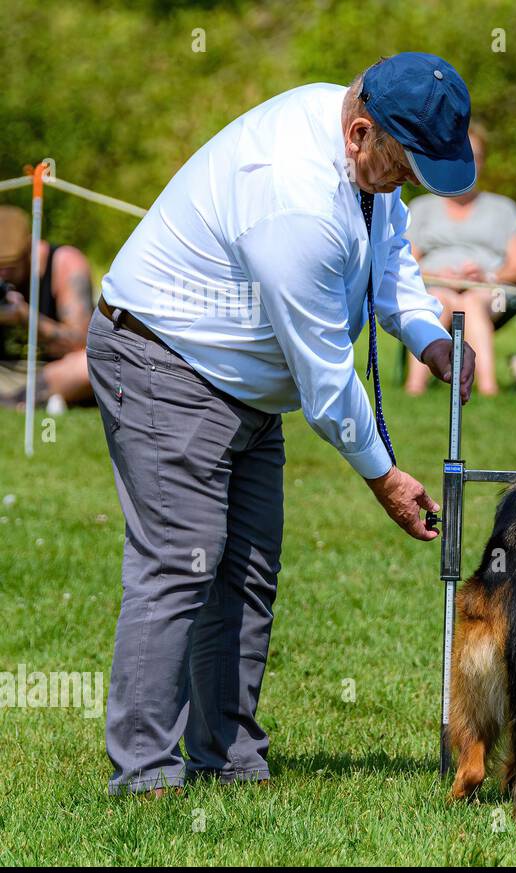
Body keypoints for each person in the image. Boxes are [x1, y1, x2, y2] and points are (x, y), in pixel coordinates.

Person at [88, 53, 476, 796]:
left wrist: (425, 334)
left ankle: (228, 758)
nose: (407, 186)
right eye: (405, 167)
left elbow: (387, 250)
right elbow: (326, 376)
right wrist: (385, 479)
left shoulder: (358, 145)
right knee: (182, 561)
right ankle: (144, 776)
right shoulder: (295, 199)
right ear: (361, 132)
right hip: (163, 361)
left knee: (246, 572)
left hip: (242, 386)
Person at [405, 122, 516, 397]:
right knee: (438, 299)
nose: (468, 162)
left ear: (483, 161)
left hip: (491, 291)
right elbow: (405, 262)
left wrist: (487, 278)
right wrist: (439, 276)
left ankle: (486, 388)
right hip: (435, 284)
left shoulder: (504, 208)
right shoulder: (422, 207)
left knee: (471, 302)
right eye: (461, 154)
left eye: (475, 155)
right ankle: (415, 388)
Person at [0, 205, 95, 408]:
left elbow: (81, 343)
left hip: (56, 373)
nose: (3, 277)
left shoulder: (64, 263)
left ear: (28, 249)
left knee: (90, 364)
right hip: (6, 372)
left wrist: (25, 318)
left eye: (9, 269)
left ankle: (17, 402)